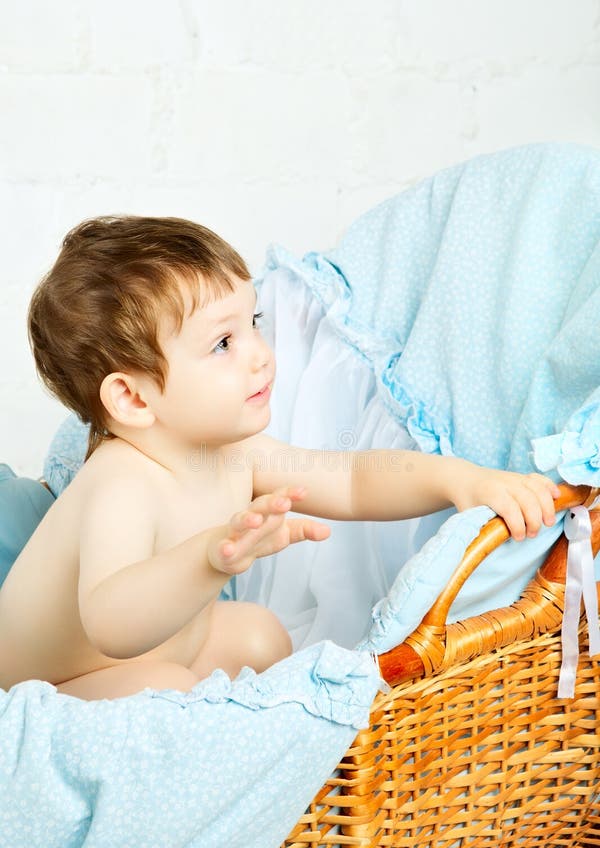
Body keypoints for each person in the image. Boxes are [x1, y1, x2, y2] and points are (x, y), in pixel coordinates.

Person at [0, 216, 559, 701]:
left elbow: (352, 480)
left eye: (254, 324)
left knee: (263, 637)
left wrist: (459, 480)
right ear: (133, 399)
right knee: (168, 690)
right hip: (58, 683)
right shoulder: (120, 482)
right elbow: (111, 623)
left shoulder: (233, 453)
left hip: (171, 646)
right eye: (223, 344)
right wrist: (211, 559)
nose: (261, 357)